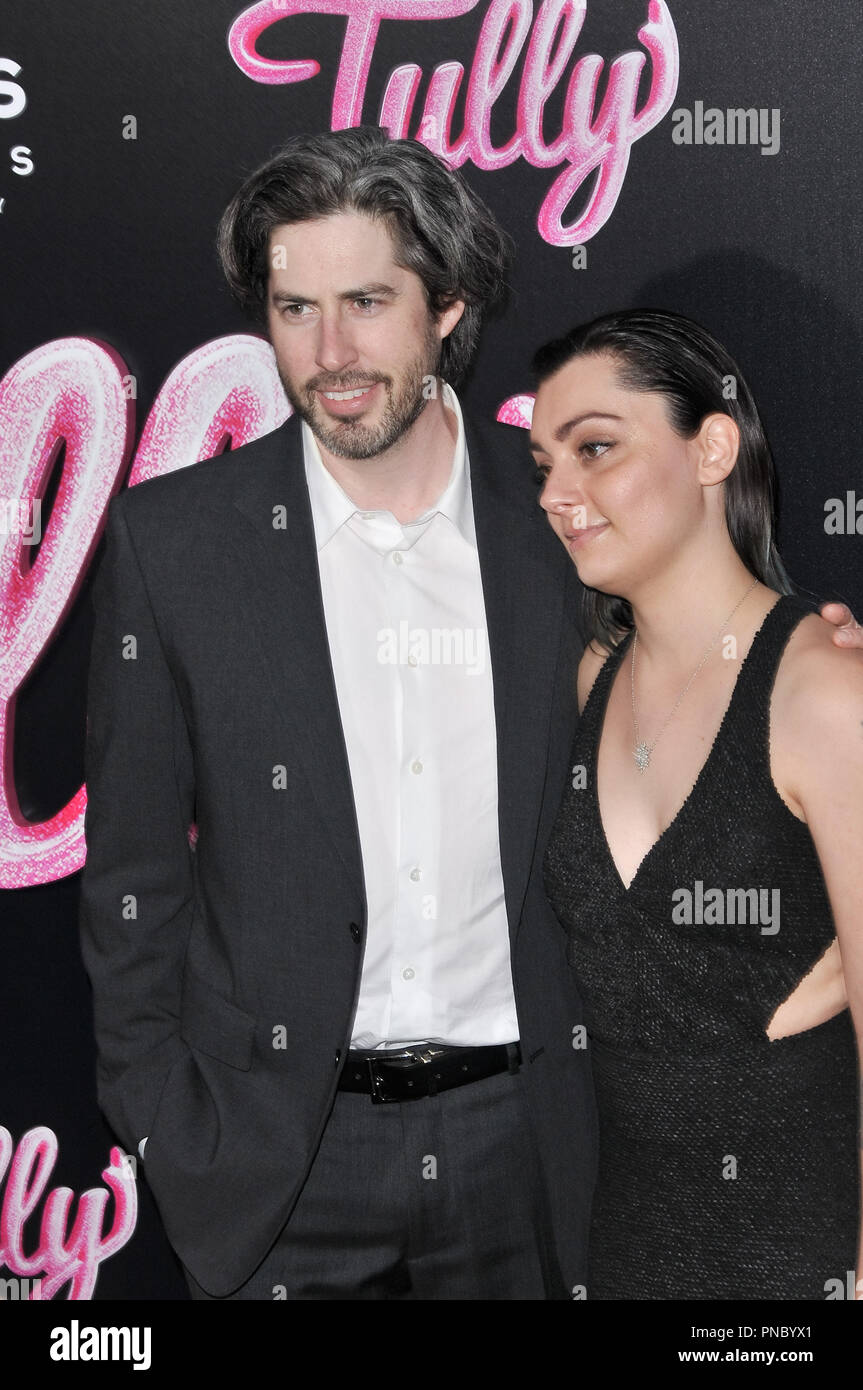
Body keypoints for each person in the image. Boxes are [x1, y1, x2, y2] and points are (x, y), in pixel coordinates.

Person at [79, 128, 861, 1302]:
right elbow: (129, 881)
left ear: (446, 305)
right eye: (293, 309)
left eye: (366, 301)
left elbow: (718, 646)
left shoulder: (559, 530)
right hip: (273, 1164)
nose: (330, 352)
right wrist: (172, 1129)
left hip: (531, 1145)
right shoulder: (174, 542)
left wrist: (813, 641)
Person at [533, 308, 863, 1300]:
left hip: (792, 1258)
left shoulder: (821, 693)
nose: (557, 493)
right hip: (623, 1247)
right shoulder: (591, 678)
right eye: (542, 460)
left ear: (711, 446)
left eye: (594, 447)